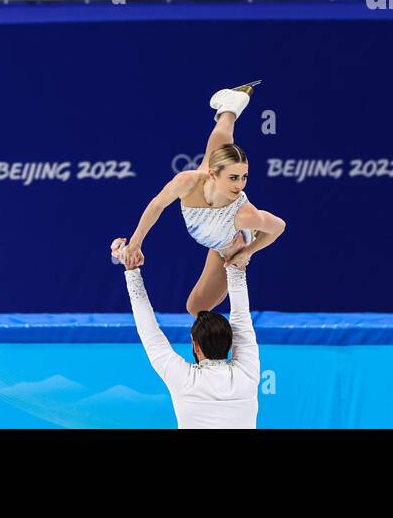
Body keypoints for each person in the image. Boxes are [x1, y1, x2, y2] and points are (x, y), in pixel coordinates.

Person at [121, 82, 285, 314]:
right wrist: (136, 242)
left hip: (229, 246)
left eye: (244, 177)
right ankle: (230, 106)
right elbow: (157, 204)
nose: (240, 185)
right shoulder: (189, 181)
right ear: (212, 174)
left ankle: (221, 344)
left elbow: (279, 226)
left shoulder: (244, 214)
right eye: (233, 178)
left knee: (196, 307)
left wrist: (247, 252)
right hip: (210, 205)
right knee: (219, 141)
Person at [113, 239, 259, 429]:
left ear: (196, 345)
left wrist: (131, 270)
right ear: (230, 344)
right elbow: (241, 318)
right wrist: (236, 264)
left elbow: (149, 333)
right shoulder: (246, 374)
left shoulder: (185, 380)